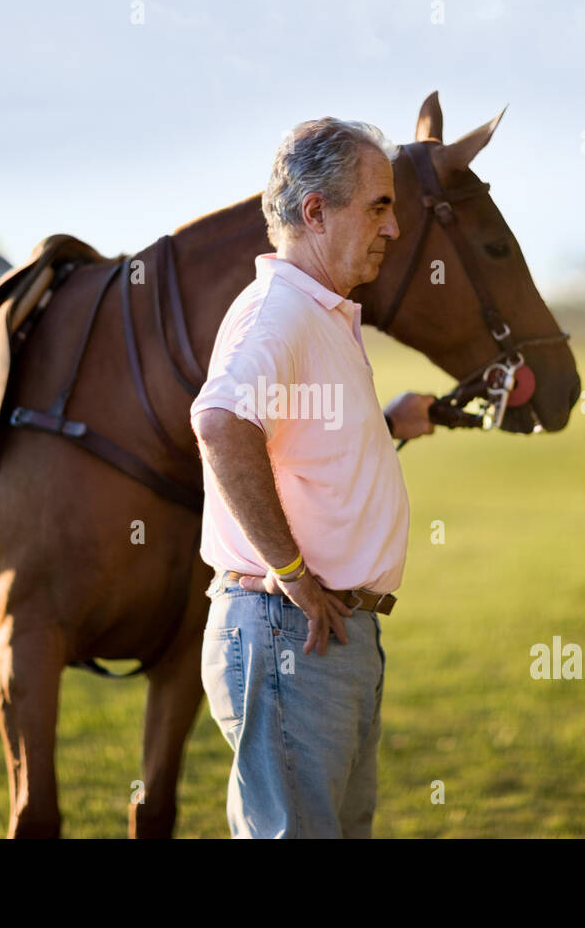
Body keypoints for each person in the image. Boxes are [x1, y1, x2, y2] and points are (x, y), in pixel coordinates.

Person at [189, 116, 436, 838]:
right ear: (316, 211)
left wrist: (387, 425)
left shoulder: (320, 313)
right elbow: (221, 424)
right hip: (292, 630)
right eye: (380, 206)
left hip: (331, 635)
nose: (394, 228)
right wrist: (293, 572)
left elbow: (298, 448)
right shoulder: (284, 313)